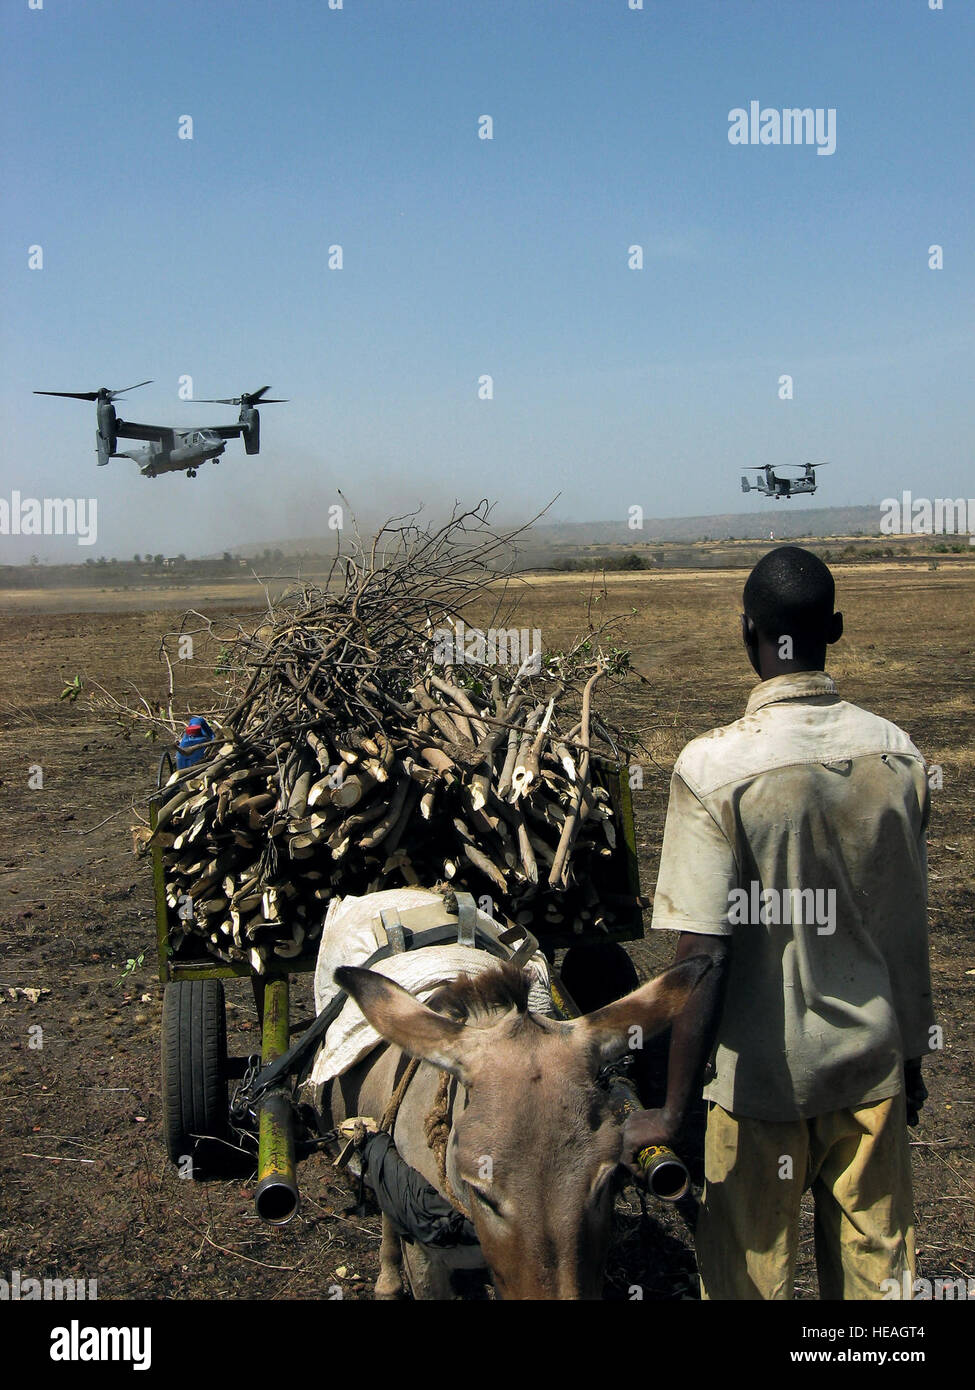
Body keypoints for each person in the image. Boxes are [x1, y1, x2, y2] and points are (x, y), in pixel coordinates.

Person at [624, 546, 934, 1300]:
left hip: (761, 1084)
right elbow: (903, 930)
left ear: (746, 633)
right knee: (876, 1285)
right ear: (834, 628)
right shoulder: (897, 755)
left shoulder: (713, 768)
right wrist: (914, 1060)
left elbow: (699, 956)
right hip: (871, 1069)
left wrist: (669, 1110)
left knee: (747, 1280)